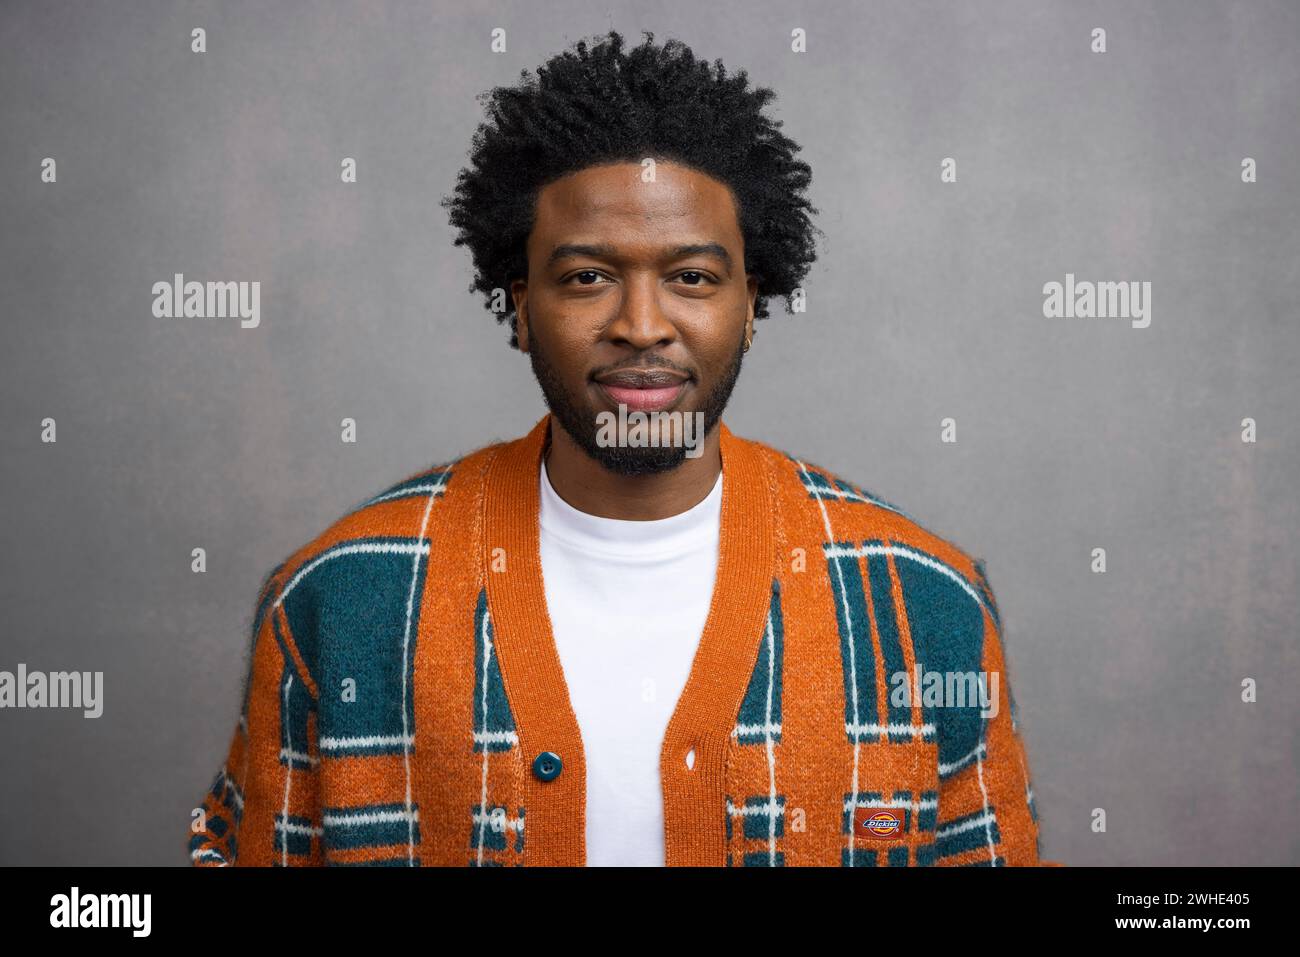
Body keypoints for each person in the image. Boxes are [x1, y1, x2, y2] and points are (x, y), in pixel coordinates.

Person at [188, 29, 1046, 867]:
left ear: (754, 302)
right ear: (520, 306)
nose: (641, 326)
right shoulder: (340, 597)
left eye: (694, 278)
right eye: (588, 276)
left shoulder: (924, 604)